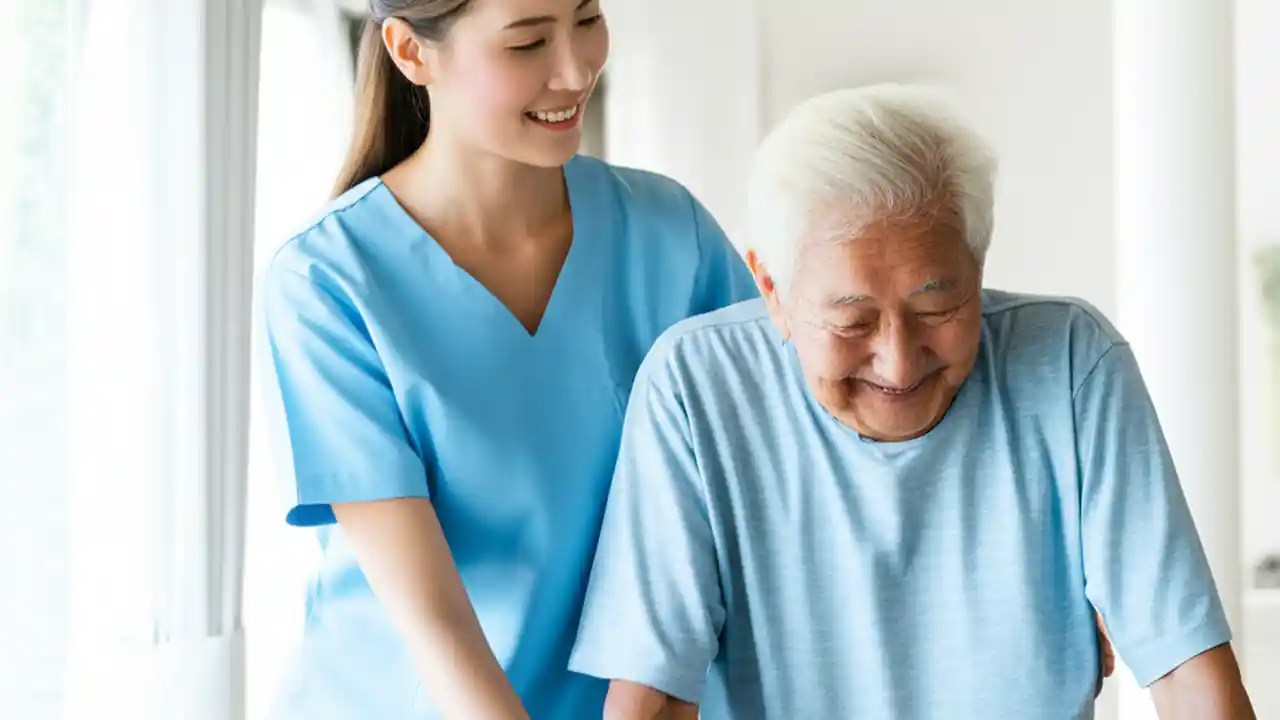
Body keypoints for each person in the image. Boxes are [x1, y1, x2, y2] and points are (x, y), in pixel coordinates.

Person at [569, 85, 1256, 719]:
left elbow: (1185, 667)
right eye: (852, 321)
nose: (898, 361)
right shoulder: (695, 385)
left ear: (978, 269)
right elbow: (655, 695)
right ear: (772, 289)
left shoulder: (1072, 361)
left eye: (937, 308)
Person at [255, 1, 756, 717]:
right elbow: (433, 622)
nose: (576, 70)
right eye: (528, 43)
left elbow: (761, 495)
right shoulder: (328, 280)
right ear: (411, 51)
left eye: (588, 19)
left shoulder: (674, 236)